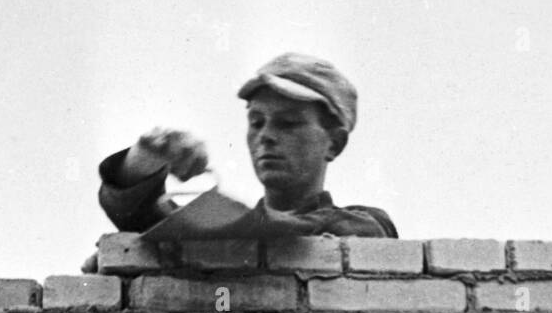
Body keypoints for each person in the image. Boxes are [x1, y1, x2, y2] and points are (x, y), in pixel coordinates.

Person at [93, 52, 397, 259]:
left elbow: (349, 231)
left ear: (335, 143)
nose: (265, 135)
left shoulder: (363, 225)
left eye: (288, 123)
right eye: (256, 122)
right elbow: (134, 215)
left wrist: (222, 228)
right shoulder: (227, 231)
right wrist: (145, 159)